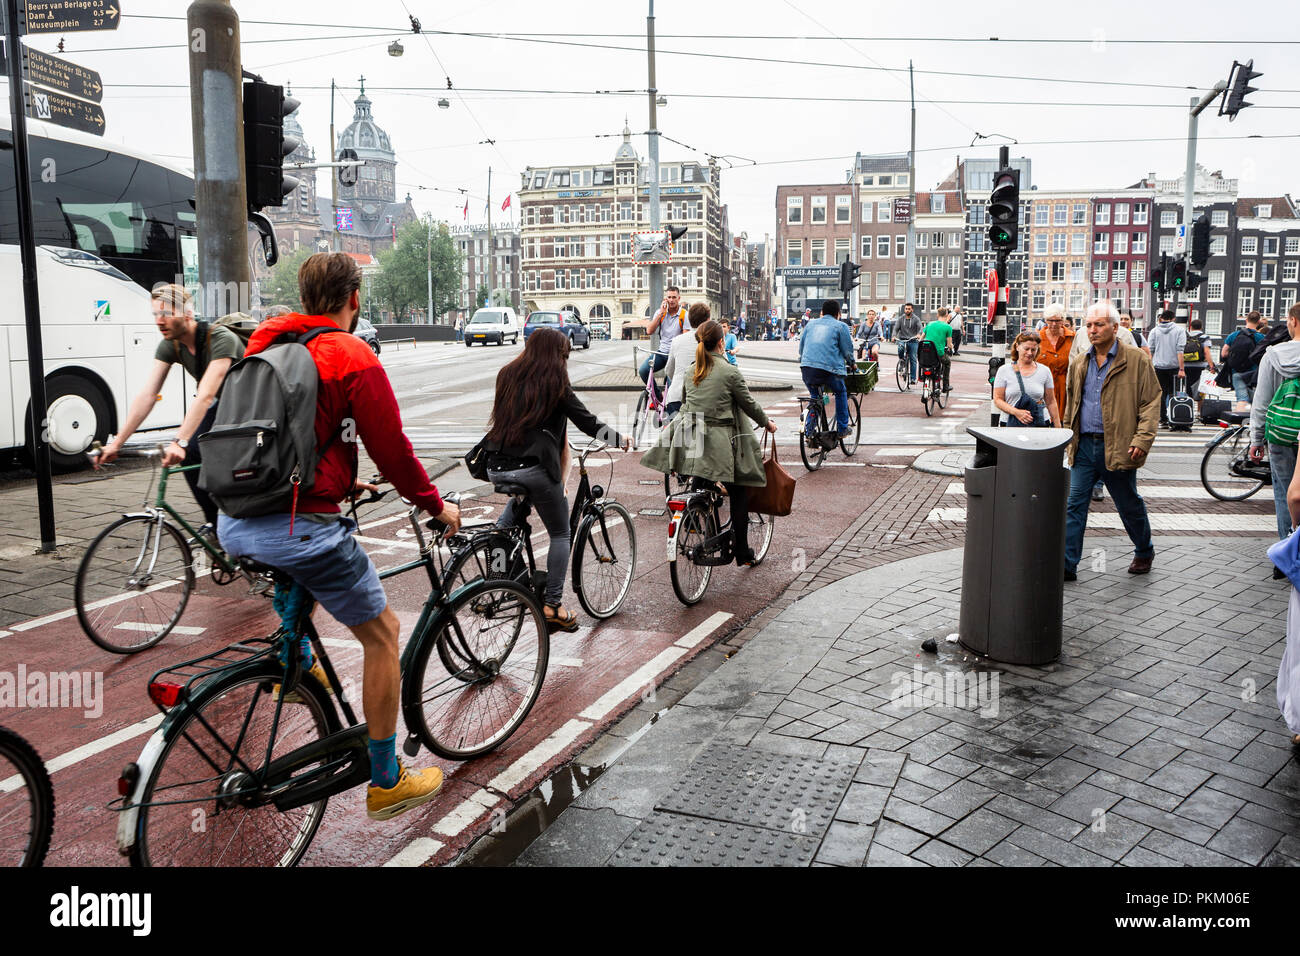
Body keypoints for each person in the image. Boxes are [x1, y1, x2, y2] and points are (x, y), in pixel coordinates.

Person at [217, 252, 461, 820]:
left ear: (305, 299)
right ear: (355, 299)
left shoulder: (264, 349)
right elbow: (393, 450)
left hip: (235, 521)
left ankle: (291, 663)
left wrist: (341, 481)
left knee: (299, 577)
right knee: (383, 634)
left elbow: (283, 440)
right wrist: (435, 505)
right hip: (299, 525)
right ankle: (386, 780)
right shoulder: (350, 354)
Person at [484, 327, 628, 631]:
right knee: (561, 534)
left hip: (496, 465)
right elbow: (587, 422)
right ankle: (552, 605)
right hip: (533, 468)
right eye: (565, 356)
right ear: (556, 356)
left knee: (508, 521)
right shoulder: (556, 382)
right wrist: (618, 438)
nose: (565, 362)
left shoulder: (506, 374)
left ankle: (501, 575)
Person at [94, 284, 244, 532]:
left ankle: (239, 519)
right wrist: (117, 443)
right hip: (222, 404)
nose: (159, 321)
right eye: (155, 314)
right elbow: (148, 395)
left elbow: (206, 395)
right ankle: (217, 527)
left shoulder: (221, 339)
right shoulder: (171, 345)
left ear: (187, 313)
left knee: (195, 447)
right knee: (192, 455)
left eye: (166, 313)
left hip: (248, 403)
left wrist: (180, 441)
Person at [641, 319, 777, 566]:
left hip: (688, 438)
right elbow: (749, 405)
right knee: (739, 492)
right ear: (721, 342)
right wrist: (767, 423)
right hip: (716, 442)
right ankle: (743, 552)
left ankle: (696, 517)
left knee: (699, 481)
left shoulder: (692, 370)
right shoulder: (730, 371)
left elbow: (684, 402)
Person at [1062, 301, 1161, 581]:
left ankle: (1144, 549)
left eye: (1099, 324)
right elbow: (1073, 403)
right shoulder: (1081, 361)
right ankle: (1067, 564)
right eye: (1089, 325)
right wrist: (1069, 438)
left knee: (1128, 503)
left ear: (1115, 328)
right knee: (1074, 504)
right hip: (1084, 447)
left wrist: (1142, 439)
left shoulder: (1136, 359)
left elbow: (1152, 401)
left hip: (1118, 445)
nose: (1093, 330)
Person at [1250, 302, 1300, 548]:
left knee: (1283, 491)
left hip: (1281, 433)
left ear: (1293, 321)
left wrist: (1256, 439)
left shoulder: (1273, 355)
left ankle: (1288, 550)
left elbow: (1262, 401)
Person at [799, 299, 856, 437]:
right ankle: (842, 428)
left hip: (807, 368)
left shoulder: (810, 325)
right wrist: (852, 363)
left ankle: (809, 431)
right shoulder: (840, 326)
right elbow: (847, 350)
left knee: (815, 397)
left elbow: (801, 348)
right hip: (829, 370)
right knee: (840, 391)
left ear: (822, 312)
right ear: (838, 313)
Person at [993, 331, 1061, 428]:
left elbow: (1051, 401)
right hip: (1009, 424)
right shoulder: (1004, 370)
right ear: (1017, 347)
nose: (1029, 353)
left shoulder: (1044, 371)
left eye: (1033, 350)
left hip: (1038, 424)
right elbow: (998, 400)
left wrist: (1057, 426)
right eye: (1026, 349)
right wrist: (1016, 412)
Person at [1146, 310, 1187, 428]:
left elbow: (1151, 350)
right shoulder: (1179, 331)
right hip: (1174, 367)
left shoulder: (1154, 331)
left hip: (1158, 366)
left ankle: (1162, 419)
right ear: (1173, 318)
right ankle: (1174, 417)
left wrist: (1150, 366)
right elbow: (1180, 351)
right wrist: (1182, 369)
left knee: (1160, 394)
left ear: (1161, 318)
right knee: (1175, 393)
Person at [638, 285, 686, 384]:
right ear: (665, 299)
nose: (671, 300)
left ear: (679, 298)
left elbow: (685, 338)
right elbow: (649, 331)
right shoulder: (660, 313)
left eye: (674, 297)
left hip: (675, 355)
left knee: (671, 383)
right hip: (662, 353)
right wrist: (660, 313)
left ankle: (668, 397)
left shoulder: (685, 315)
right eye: (669, 297)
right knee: (643, 371)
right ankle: (658, 395)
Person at [664, 304, 704, 418]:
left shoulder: (677, 340)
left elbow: (669, 370)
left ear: (689, 320)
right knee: (698, 435)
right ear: (707, 320)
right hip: (701, 399)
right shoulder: (712, 340)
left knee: (675, 434)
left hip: (676, 396)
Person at [1222, 310, 1265, 403]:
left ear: (1246, 320)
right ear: (1258, 322)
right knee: (1256, 400)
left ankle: (1241, 416)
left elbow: (1224, 353)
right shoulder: (1261, 337)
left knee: (1242, 400)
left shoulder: (1233, 335)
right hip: (1254, 373)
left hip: (1237, 372)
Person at [1183, 316, 1215, 412]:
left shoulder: (1185, 336)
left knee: (1188, 388)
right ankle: (1199, 411)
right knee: (1201, 388)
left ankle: (1189, 411)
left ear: (1191, 327)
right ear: (1201, 327)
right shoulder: (1204, 337)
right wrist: (1211, 366)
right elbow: (1206, 352)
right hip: (1200, 366)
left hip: (1186, 366)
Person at [922, 307, 955, 393]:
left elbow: (921, 338)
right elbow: (949, 344)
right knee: (947, 362)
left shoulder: (929, 324)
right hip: (938, 354)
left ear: (937, 315)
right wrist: (952, 347)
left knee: (926, 364)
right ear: (947, 315)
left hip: (926, 353)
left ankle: (923, 380)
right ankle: (945, 386)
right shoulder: (948, 327)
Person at [893, 302, 924, 384]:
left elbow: (921, 328)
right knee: (900, 348)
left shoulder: (916, 319)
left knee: (913, 358)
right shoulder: (900, 319)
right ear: (904, 309)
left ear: (912, 310)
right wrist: (893, 336)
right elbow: (895, 328)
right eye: (906, 309)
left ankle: (913, 379)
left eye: (909, 309)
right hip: (902, 339)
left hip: (913, 340)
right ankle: (902, 362)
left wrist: (918, 334)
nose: (907, 310)